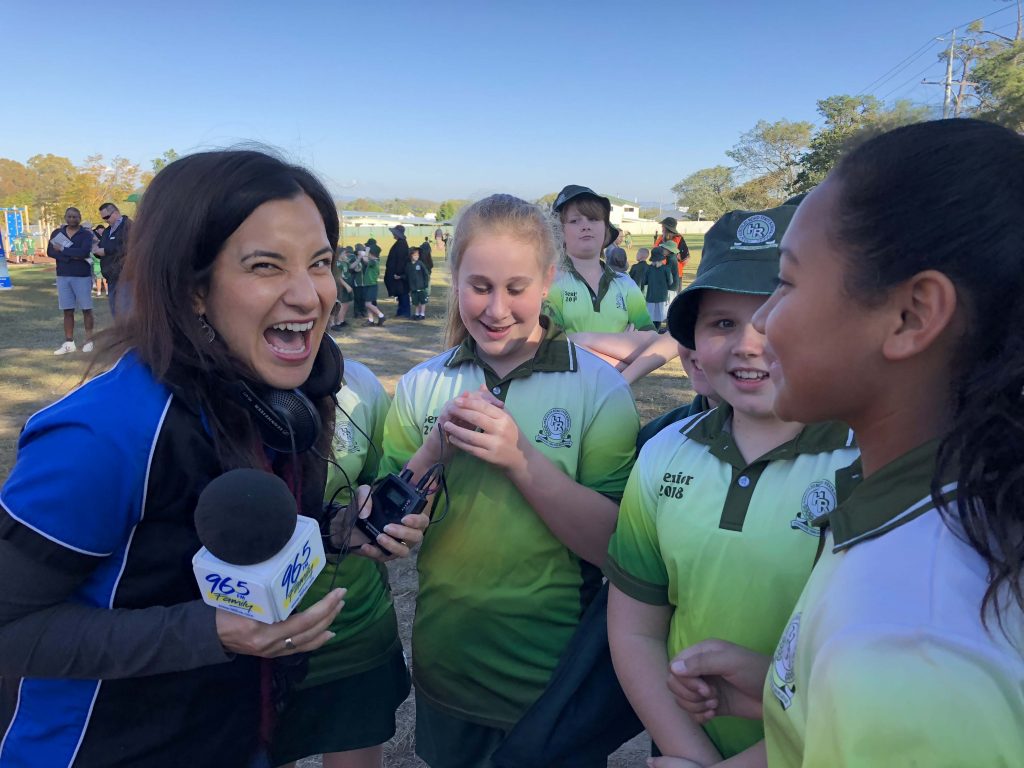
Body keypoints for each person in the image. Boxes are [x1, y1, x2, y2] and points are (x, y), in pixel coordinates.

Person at [0, 150, 426, 768]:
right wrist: (215, 631)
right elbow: (11, 629)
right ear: (193, 290)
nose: (310, 296)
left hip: (230, 735)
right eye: (265, 266)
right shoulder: (104, 435)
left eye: (321, 263)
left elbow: (216, 555)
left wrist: (336, 530)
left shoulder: (281, 401)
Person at [669, 119, 1024, 768]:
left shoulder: (910, 651)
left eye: (789, 282)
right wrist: (792, 694)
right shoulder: (927, 511)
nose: (766, 320)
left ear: (911, 316)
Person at [378, 194, 640, 768]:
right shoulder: (424, 385)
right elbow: (380, 526)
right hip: (447, 663)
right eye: (479, 286)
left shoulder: (599, 389)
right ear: (454, 280)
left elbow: (615, 546)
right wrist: (430, 454)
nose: (497, 309)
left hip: (552, 673)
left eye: (516, 287)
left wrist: (521, 458)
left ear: (549, 280)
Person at [606, 203, 858, 765]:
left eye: (776, 314)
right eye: (723, 323)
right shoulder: (664, 455)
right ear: (693, 344)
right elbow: (636, 629)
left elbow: (889, 688)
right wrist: (691, 755)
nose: (749, 343)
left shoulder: (868, 461)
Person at [270, 359, 412, 768]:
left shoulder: (359, 384)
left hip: (354, 631)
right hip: (246, 644)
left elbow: (374, 491)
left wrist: (368, 524)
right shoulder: (185, 400)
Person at [544, 184, 654, 335]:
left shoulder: (625, 283)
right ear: (559, 231)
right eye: (575, 221)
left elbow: (649, 338)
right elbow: (553, 349)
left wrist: (577, 338)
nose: (585, 226)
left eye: (593, 219)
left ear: (606, 230)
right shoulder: (549, 283)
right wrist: (623, 344)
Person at [47, 206, 96, 355]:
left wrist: (62, 250)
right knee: (67, 310)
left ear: (80, 217)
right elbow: (50, 251)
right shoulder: (57, 233)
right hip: (63, 275)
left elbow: (83, 252)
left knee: (86, 309)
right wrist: (70, 257)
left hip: (82, 275)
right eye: (69, 216)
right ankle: (69, 342)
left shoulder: (86, 234)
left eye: (75, 216)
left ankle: (89, 340)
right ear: (65, 217)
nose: (72, 219)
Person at [92, 202, 131, 317]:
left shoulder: (128, 226)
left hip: (125, 276)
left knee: (126, 312)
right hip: (111, 276)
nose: (105, 220)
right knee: (115, 312)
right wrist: (97, 251)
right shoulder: (107, 231)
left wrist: (105, 251)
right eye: (103, 218)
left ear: (116, 213)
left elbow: (128, 247)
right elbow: (103, 247)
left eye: (107, 217)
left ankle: (129, 334)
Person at [643, 247, 675, 332]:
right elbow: (670, 282)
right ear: (661, 258)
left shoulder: (648, 268)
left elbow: (644, 281)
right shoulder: (666, 269)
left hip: (651, 296)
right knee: (660, 316)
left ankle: (652, 331)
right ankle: (657, 331)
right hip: (662, 296)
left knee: (651, 316)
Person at [384, 224, 411, 318]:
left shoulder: (401, 244)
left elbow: (401, 261)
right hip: (397, 273)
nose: (393, 234)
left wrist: (399, 274)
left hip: (399, 274)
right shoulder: (400, 243)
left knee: (403, 293)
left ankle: (405, 312)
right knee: (400, 293)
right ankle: (401, 311)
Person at [360, 240, 386, 327]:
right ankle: (370, 320)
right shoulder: (373, 261)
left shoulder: (374, 262)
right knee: (368, 303)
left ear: (372, 254)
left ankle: (381, 315)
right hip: (368, 285)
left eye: (369, 253)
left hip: (372, 285)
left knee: (368, 304)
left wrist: (365, 252)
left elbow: (365, 260)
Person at [406, 246, 429, 320]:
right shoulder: (408, 265)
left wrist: (425, 284)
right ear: (410, 255)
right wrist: (400, 276)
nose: (417, 256)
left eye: (418, 255)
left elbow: (426, 273)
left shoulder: (420, 263)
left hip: (421, 287)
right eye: (415, 255)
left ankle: (422, 314)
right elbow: (406, 275)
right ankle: (416, 314)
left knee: (422, 301)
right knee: (416, 302)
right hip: (413, 288)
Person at [91, 224, 108, 297]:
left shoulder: (104, 237)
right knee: (100, 279)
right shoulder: (96, 236)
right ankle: (102, 291)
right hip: (99, 264)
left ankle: (102, 291)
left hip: (100, 264)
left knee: (102, 279)